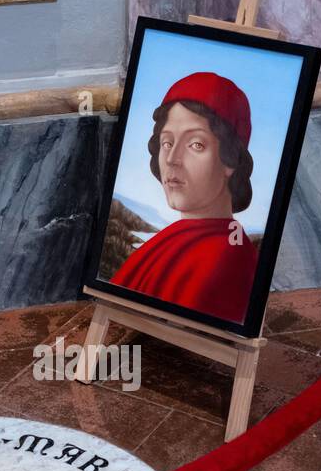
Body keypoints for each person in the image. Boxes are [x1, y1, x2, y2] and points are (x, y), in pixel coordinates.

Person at [110, 72, 258, 324]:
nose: (171, 159)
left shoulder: (226, 255)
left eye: (196, 144)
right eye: (167, 143)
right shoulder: (173, 238)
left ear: (230, 161)